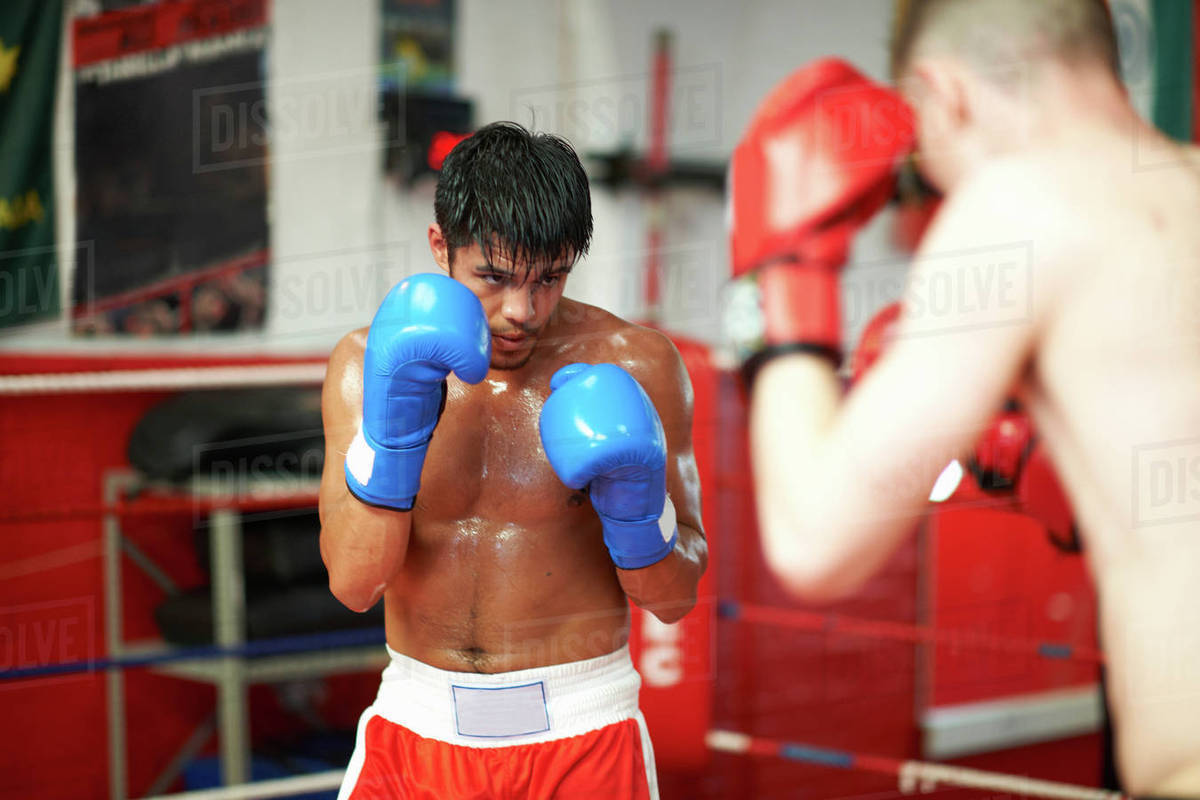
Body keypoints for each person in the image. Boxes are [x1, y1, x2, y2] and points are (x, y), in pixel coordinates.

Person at [728, 1, 1200, 797]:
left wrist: (781, 272)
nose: (935, 184)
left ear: (944, 94)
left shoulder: (1020, 205)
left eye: (923, 149)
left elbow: (814, 542)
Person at [319, 121, 706, 799]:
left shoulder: (637, 364)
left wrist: (642, 515)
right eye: (493, 278)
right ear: (441, 245)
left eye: (549, 278)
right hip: (418, 727)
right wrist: (394, 441)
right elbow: (355, 584)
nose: (521, 310)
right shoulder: (364, 367)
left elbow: (674, 599)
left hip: (581, 731)